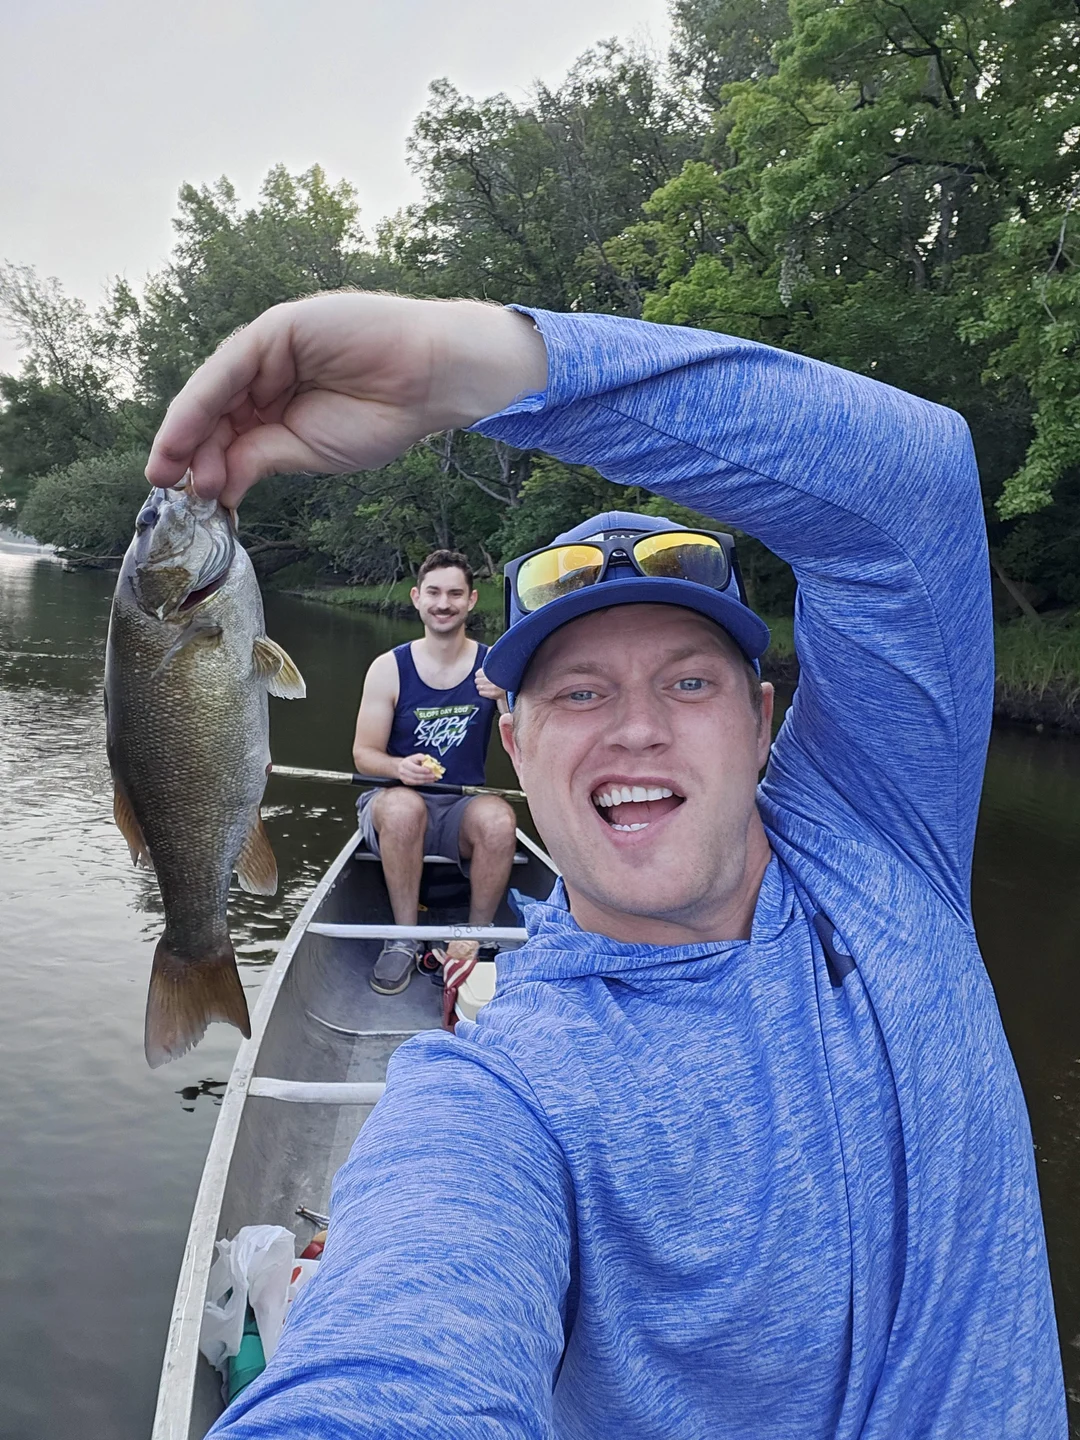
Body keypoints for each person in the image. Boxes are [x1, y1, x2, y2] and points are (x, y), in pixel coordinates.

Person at [147, 293, 1065, 1437]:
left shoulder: (885, 835)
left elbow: (912, 480)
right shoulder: (489, 1094)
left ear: (763, 720)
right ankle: (404, 943)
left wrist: (466, 367)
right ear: (518, 743)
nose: (637, 727)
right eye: (579, 691)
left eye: (689, 682)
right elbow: (395, 1363)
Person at [351, 546, 516, 994]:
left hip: (460, 804)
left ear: (471, 601)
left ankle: (475, 938)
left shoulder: (493, 667)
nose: (444, 604)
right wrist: (399, 767)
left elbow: (531, 750)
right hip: (393, 803)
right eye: (435, 593)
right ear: (416, 597)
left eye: (455, 594)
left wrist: (504, 700)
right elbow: (364, 755)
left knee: (501, 818)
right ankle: (404, 938)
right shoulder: (389, 668)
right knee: (405, 810)